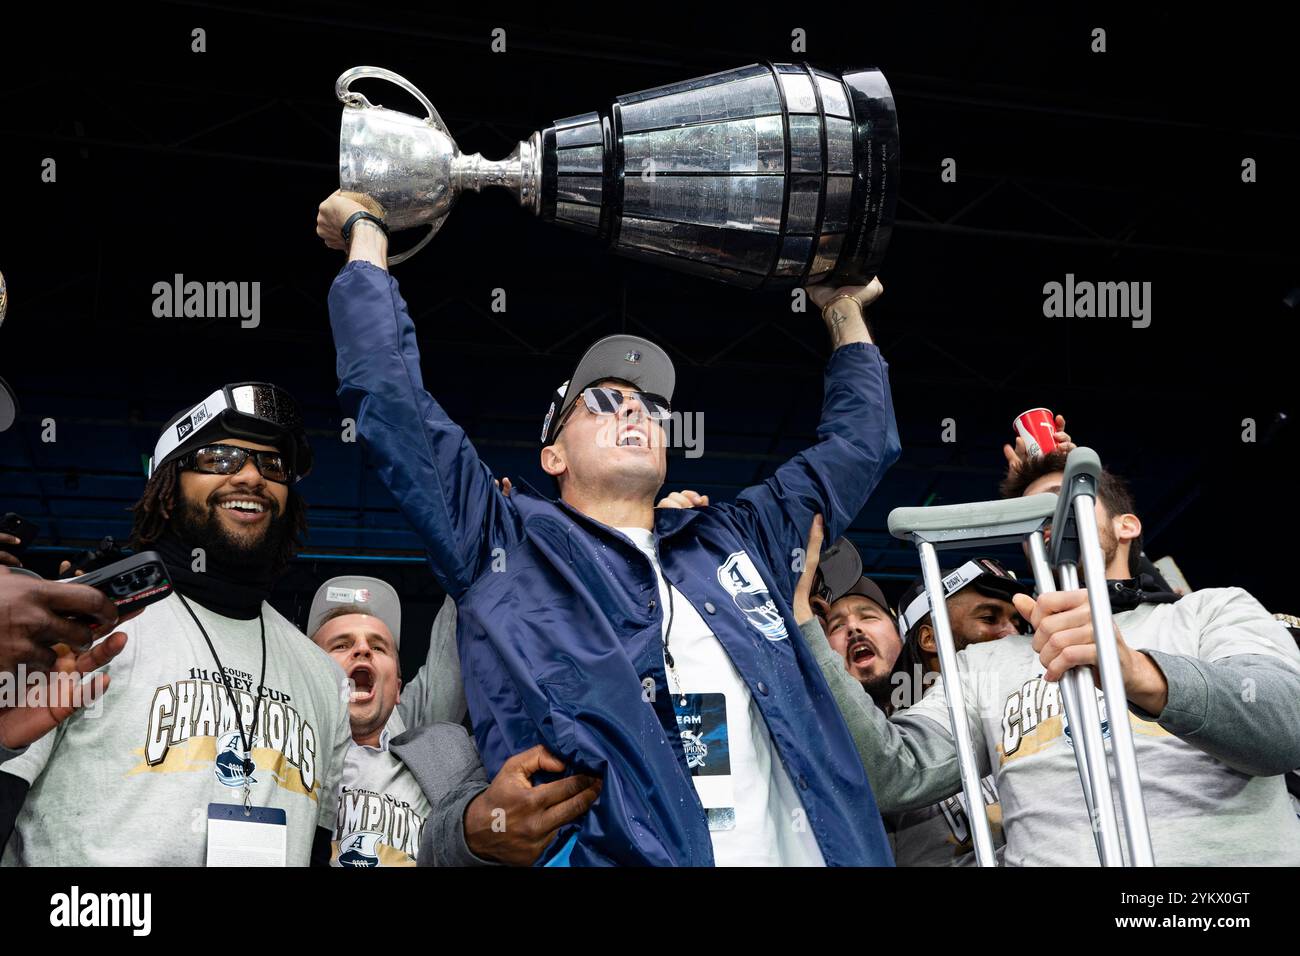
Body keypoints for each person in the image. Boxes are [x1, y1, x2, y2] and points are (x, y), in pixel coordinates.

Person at [316, 189, 901, 866]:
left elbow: (862, 443)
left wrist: (842, 310)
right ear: (552, 455)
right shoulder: (501, 543)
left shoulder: (740, 537)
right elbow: (388, 396)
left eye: (650, 405)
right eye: (600, 401)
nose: (635, 411)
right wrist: (368, 233)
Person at [803, 451, 1300, 864]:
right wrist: (803, 626)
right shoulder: (987, 664)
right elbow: (898, 771)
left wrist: (1136, 671)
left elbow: (1286, 726)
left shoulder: (1208, 610)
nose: (1048, 519)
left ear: (1127, 525)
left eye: (1062, 501)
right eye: (1030, 516)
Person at [1, 383, 352, 866]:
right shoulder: (88, 631)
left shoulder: (323, 675)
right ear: (168, 486)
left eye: (272, 465)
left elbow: (316, 844)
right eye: (220, 457)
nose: (251, 476)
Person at [307, 576, 600, 866]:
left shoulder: (437, 753)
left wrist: (473, 568)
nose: (363, 650)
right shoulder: (286, 748)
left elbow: (449, 656)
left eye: (379, 647)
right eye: (341, 646)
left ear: (397, 688)